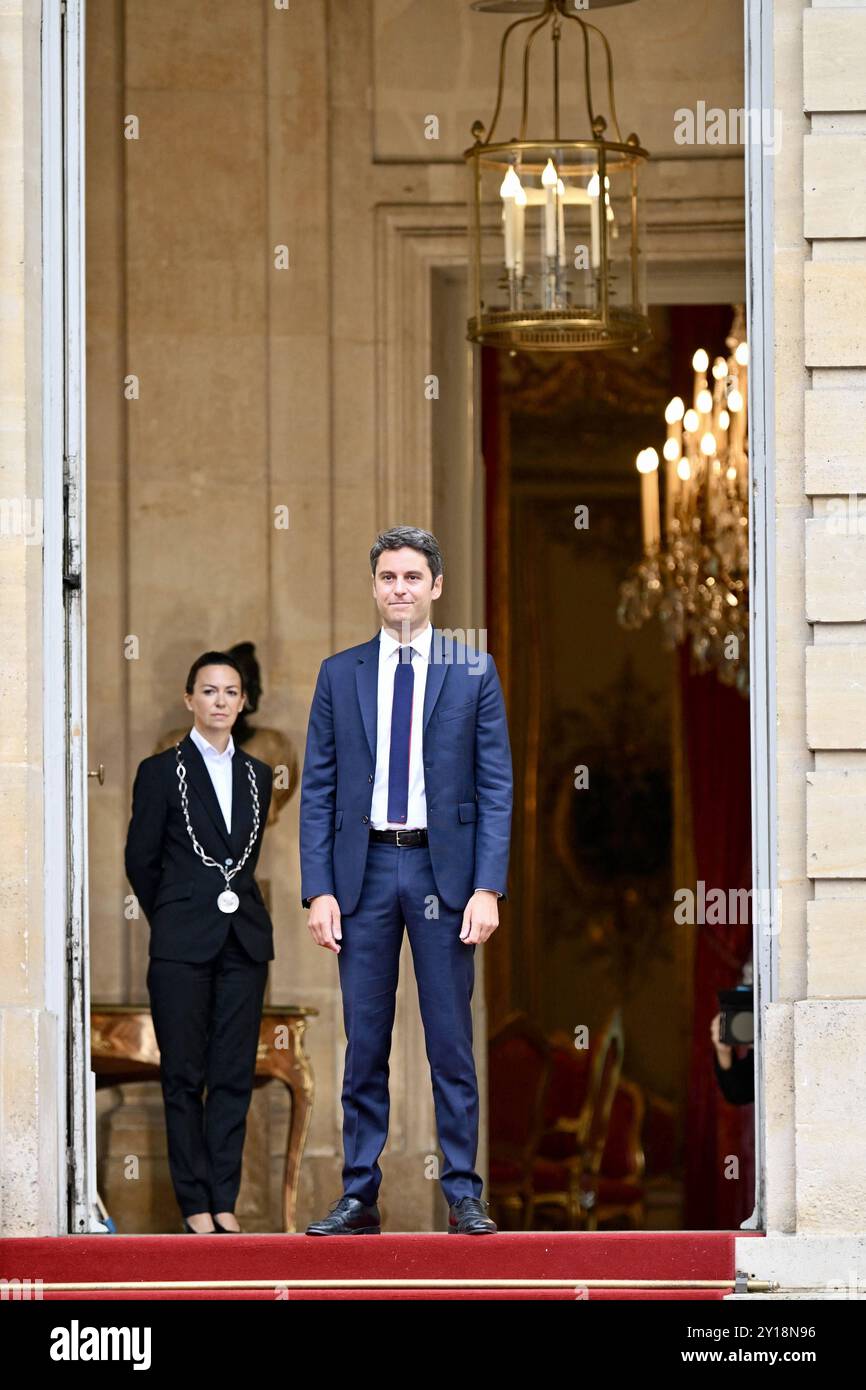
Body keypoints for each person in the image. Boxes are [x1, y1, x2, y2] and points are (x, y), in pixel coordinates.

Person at [300, 525, 513, 1235]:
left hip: (442, 873)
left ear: (437, 586)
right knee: (364, 1042)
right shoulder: (340, 673)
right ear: (374, 586)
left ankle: (463, 1193)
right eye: (388, 577)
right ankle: (358, 1194)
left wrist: (488, 886)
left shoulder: (473, 669)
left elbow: (494, 787)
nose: (400, 589)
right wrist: (318, 889)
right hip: (361, 872)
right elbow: (321, 790)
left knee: (449, 1040)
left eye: (412, 577)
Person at [124, 651, 274, 1233]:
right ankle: (194, 1206)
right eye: (208, 691)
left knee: (233, 1075)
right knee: (184, 1075)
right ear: (190, 699)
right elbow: (141, 860)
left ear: (242, 702)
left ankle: (225, 1202)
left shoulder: (259, 775)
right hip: (182, 946)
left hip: (243, 943)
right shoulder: (160, 771)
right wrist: (179, 911)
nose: (219, 701)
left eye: (230, 692)